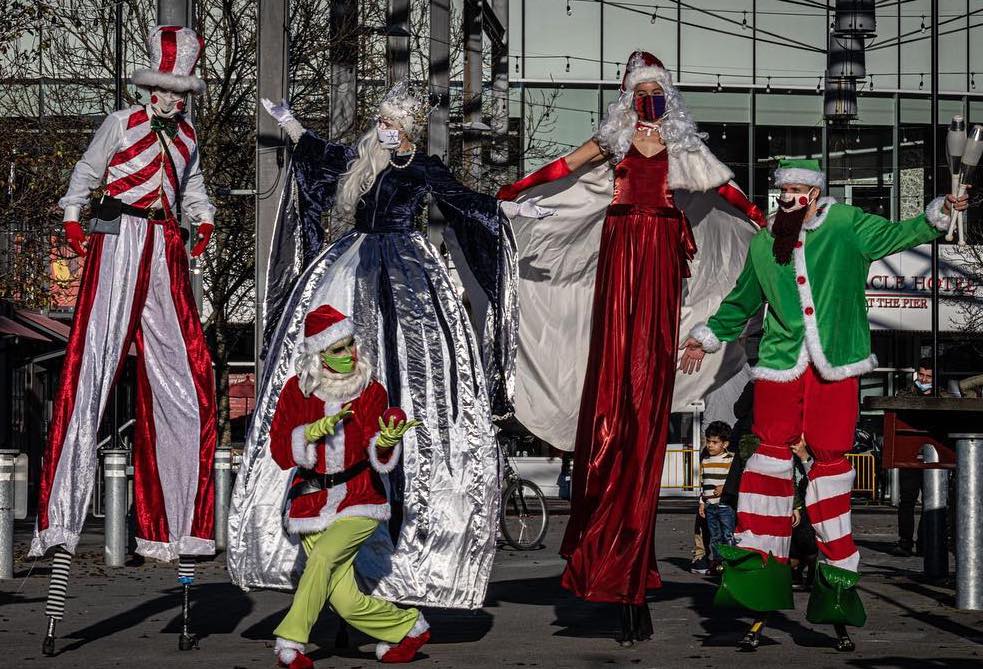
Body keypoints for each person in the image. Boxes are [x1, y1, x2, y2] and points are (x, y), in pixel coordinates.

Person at [228, 81, 551, 611]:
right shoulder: (365, 158)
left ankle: (399, 502)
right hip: (351, 263)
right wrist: (291, 125)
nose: (382, 129)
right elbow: (324, 157)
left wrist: (511, 212)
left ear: (407, 129)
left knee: (408, 361)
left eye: (391, 124)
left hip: (406, 270)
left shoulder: (422, 167)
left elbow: (462, 199)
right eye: (381, 121)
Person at [497, 50, 765, 645]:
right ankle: (612, 563)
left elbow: (727, 190)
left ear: (668, 99)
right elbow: (564, 167)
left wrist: (764, 220)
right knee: (617, 371)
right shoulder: (614, 143)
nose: (649, 103)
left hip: (662, 256)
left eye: (657, 94)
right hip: (621, 255)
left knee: (648, 382)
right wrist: (512, 190)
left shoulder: (682, 149)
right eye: (641, 94)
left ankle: (633, 580)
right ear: (628, 98)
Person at [681, 158, 970, 652]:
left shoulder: (845, 224)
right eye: (783, 190)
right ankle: (759, 580)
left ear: (814, 194)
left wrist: (938, 213)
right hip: (780, 365)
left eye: (797, 189)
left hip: (835, 363)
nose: (788, 198)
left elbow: (897, 235)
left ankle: (836, 585)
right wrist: (706, 337)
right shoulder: (765, 243)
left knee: (831, 465)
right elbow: (742, 300)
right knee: (767, 463)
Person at [30, 25, 217, 655]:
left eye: (181, 93)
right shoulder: (121, 123)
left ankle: (181, 529)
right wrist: (73, 215)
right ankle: (60, 523)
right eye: (167, 91)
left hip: (163, 244)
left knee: (186, 381)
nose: (174, 102)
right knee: (89, 371)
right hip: (120, 237)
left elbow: (191, 186)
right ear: (150, 90)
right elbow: (87, 170)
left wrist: (202, 219)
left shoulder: (187, 137)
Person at [268, 304, 430, 667]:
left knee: (322, 558)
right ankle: (409, 627)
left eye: (351, 344)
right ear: (319, 355)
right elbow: (279, 451)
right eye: (338, 349)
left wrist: (386, 442)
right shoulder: (297, 391)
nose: (349, 354)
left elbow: (376, 445)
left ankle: (290, 644)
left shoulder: (371, 391)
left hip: (360, 498)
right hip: (311, 502)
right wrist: (309, 433)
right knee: (344, 601)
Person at [892, 356, 939, 556]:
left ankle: (924, 542)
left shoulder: (940, 394)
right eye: (922, 375)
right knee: (907, 499)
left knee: (932, 500)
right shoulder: (906, 392)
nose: (924, 379)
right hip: (909, 453)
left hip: (933, 453)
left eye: (928, 376)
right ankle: (905, 541)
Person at [699, 421, 736, 573]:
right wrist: (702, 503)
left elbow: (735, 480)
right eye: (708, 441)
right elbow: (702, 483)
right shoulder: (705, 460)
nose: (710, 445)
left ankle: (731, 563)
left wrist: (724, 489)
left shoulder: (731, 460)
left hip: (725, 506)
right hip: (710, 506)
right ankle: (718, 563)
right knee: (714, 536)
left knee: (728, 535)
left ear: (725, 444)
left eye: (715, 442)